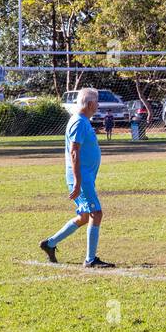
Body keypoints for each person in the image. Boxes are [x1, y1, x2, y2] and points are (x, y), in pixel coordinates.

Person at [39, 87, 113, 268]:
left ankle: (50, 244)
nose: (98, 105)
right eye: (96, 101)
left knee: (84, 217)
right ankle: (90, 259)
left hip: (85, 177)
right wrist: (79, 182)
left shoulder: (83, 120)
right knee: (96, 213)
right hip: (81, 178)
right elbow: (74, 152)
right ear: (89, 104)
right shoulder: (79, 122)